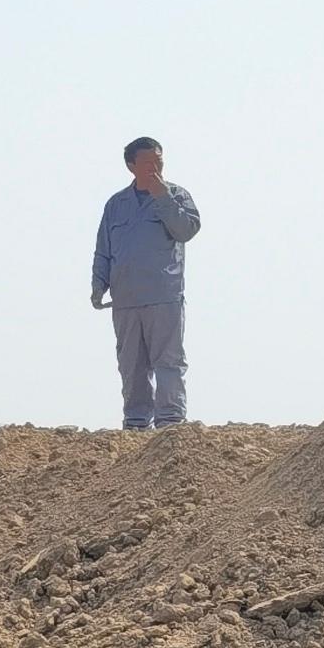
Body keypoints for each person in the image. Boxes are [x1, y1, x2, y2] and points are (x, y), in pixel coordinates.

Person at [91, 135, 202, 430]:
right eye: (147, 162)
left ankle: (170, 422)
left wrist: (162, 198)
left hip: (164, 295)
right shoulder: (116, 205)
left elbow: (187, 230)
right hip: (126, 299)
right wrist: (98, 283)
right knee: (131, 364)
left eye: (159, 161)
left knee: (169, 360)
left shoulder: (176, 196)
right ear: (131, 166)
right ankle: (136, 423)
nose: (155, 167)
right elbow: (104, 248)